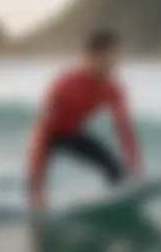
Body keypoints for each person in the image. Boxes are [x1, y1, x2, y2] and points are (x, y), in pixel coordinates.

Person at [27, 29, 142, 211]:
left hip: (73, 132)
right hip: (49, 134)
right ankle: (35, 205)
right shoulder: (65, 84)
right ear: (91, 56)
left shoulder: (114, 88)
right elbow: (42, 130)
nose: (114, 62)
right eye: (108, 56)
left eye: (116, 56)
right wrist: (36, 188)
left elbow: (125, 129)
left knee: (116, 170)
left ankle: (114, 207)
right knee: (35, 186)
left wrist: (136, 170)